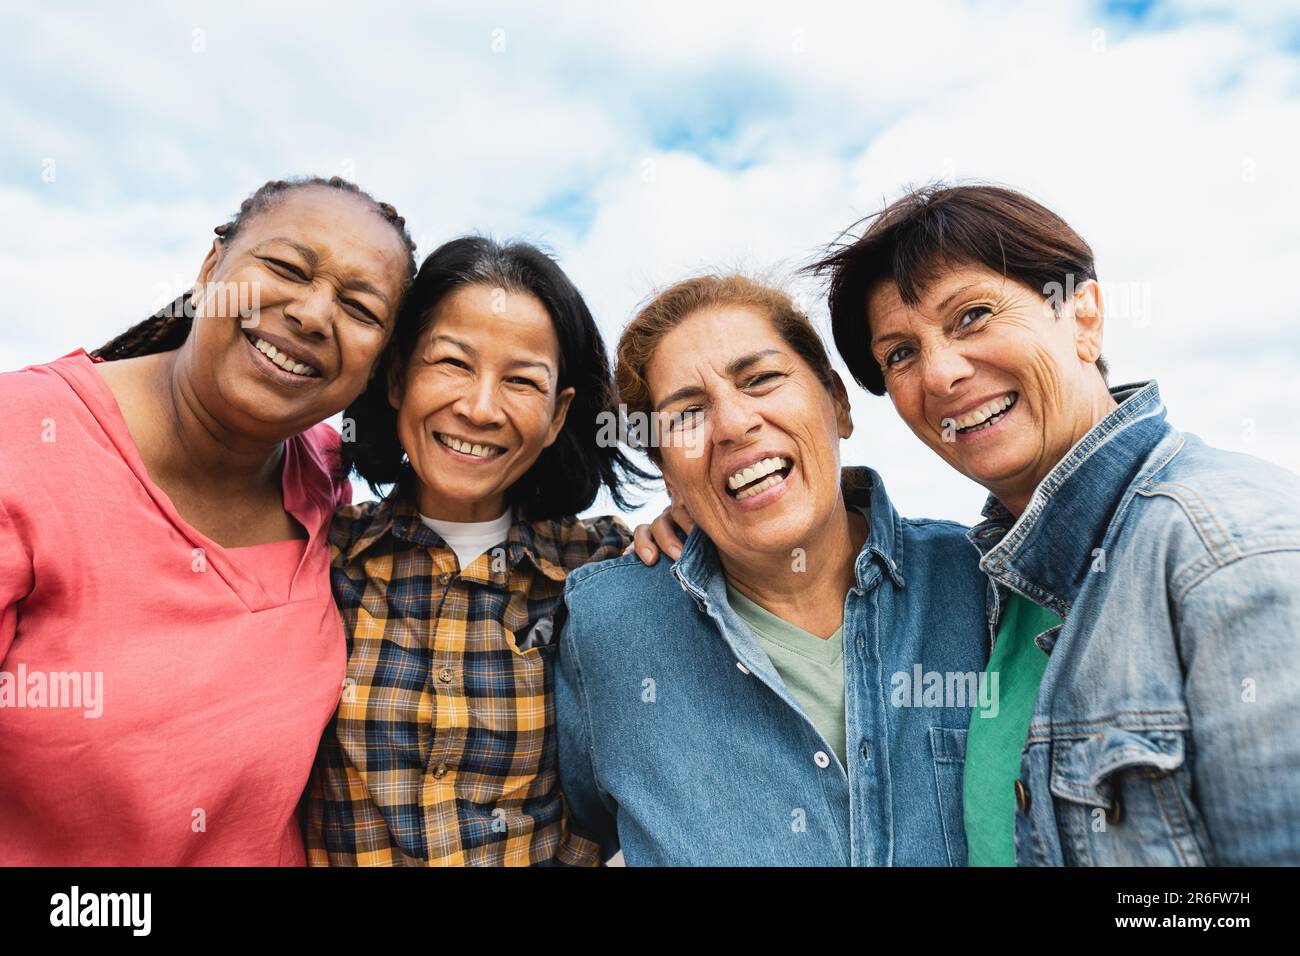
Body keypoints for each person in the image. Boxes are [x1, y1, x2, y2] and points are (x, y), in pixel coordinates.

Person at [809, 183, 1300, 865]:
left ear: (1084, 318)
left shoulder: (1227, 549)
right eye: (900, 353)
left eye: (973, 315)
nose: (942, 373)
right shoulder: (984, 587)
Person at [0, 176, 417, 865]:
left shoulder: (326, 481)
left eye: (360, 307)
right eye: (285, 268)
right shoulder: (24, 438)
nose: (313, 314)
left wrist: (654, 538)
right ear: (209, 269)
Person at [556, 275, 988, 866]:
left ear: (838, 402)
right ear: (667, 472)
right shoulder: (608, 629)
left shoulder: (981, 584)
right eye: (687, 413)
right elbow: (563, 840)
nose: (734, 425)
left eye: (760, 379)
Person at [307, 237, 648, 866]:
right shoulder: (314, 555)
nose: (479, 408)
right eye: (453, 363)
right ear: (398, 375)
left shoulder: (612, 572)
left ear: (555, 415)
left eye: (521, 381)